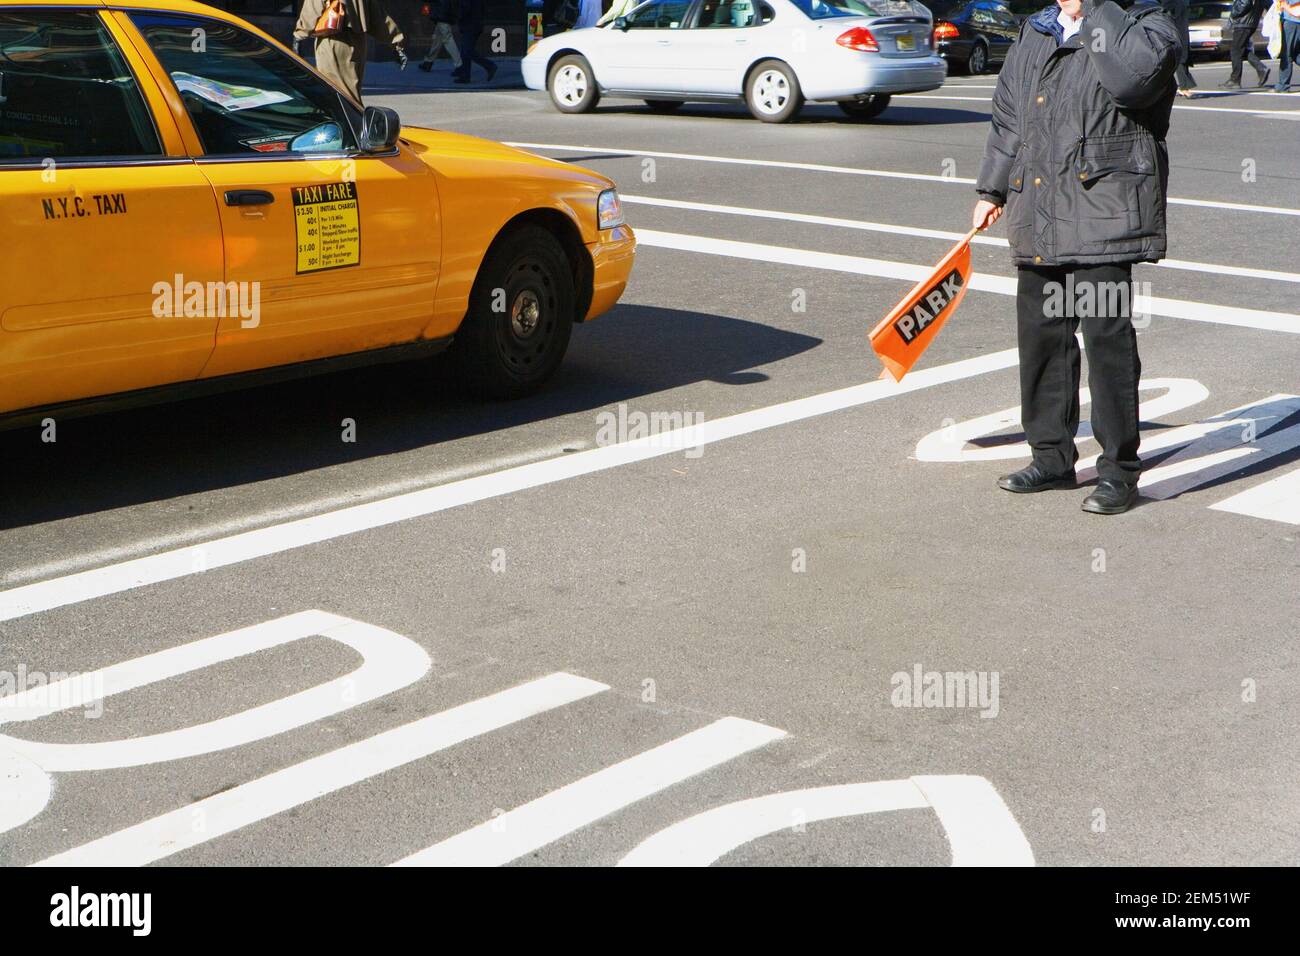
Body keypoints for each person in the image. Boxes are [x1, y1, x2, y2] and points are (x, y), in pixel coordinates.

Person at [973, 0, 1178, 515]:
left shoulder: (1149, 26)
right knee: (1042, 339)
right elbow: (1008, 116)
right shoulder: (1036, 31)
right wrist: (992, 190)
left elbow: (1134, 82)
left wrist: (1097, 12)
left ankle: (1118, 471)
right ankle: (1050, 458)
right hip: (1039, 208)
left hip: (1104, 214)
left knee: (1107, 345)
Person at [293, 0, 408, 103]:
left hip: (333, 39)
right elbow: (378, 15)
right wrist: (397, 43)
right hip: (358, 41)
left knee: (339, 96)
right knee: (349, 92)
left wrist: (299, 35)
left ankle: (355, 125)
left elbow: (313, 7)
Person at [1224, 0, 1270, 87]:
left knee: (1236, 51)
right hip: (1251, 22)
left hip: (1243, 23)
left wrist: (1234, 13)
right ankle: (1261, 69)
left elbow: (1244, 3)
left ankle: (1235, 80)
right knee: (1240, 49)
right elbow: (1268, 4)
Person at [453, 0, 498, 84]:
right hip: (475, 24)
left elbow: (465, 8)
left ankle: (490, 66)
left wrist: (458, 17)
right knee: (464, 50)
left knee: (467, 50)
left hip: (470, 25)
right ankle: (465, 76)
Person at [1158, 0, 1196, 95]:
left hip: (1177, 30)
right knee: (1178, 57)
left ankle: (1184, 86)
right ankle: (1183, 86)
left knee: (1180, 57)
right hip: (1174, 31)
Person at [418, 0, 463, 73]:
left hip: (442, 16)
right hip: (443, 15)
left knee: (448, 40)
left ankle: (459, 65)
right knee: (437, 40)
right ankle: (428, 62)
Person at [1277, 0, 1300, 91]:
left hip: (1292, 21)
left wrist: (1284, 5)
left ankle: (1283, 85)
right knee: (1296, 54)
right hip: (1293, 20)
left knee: (1287, 54)